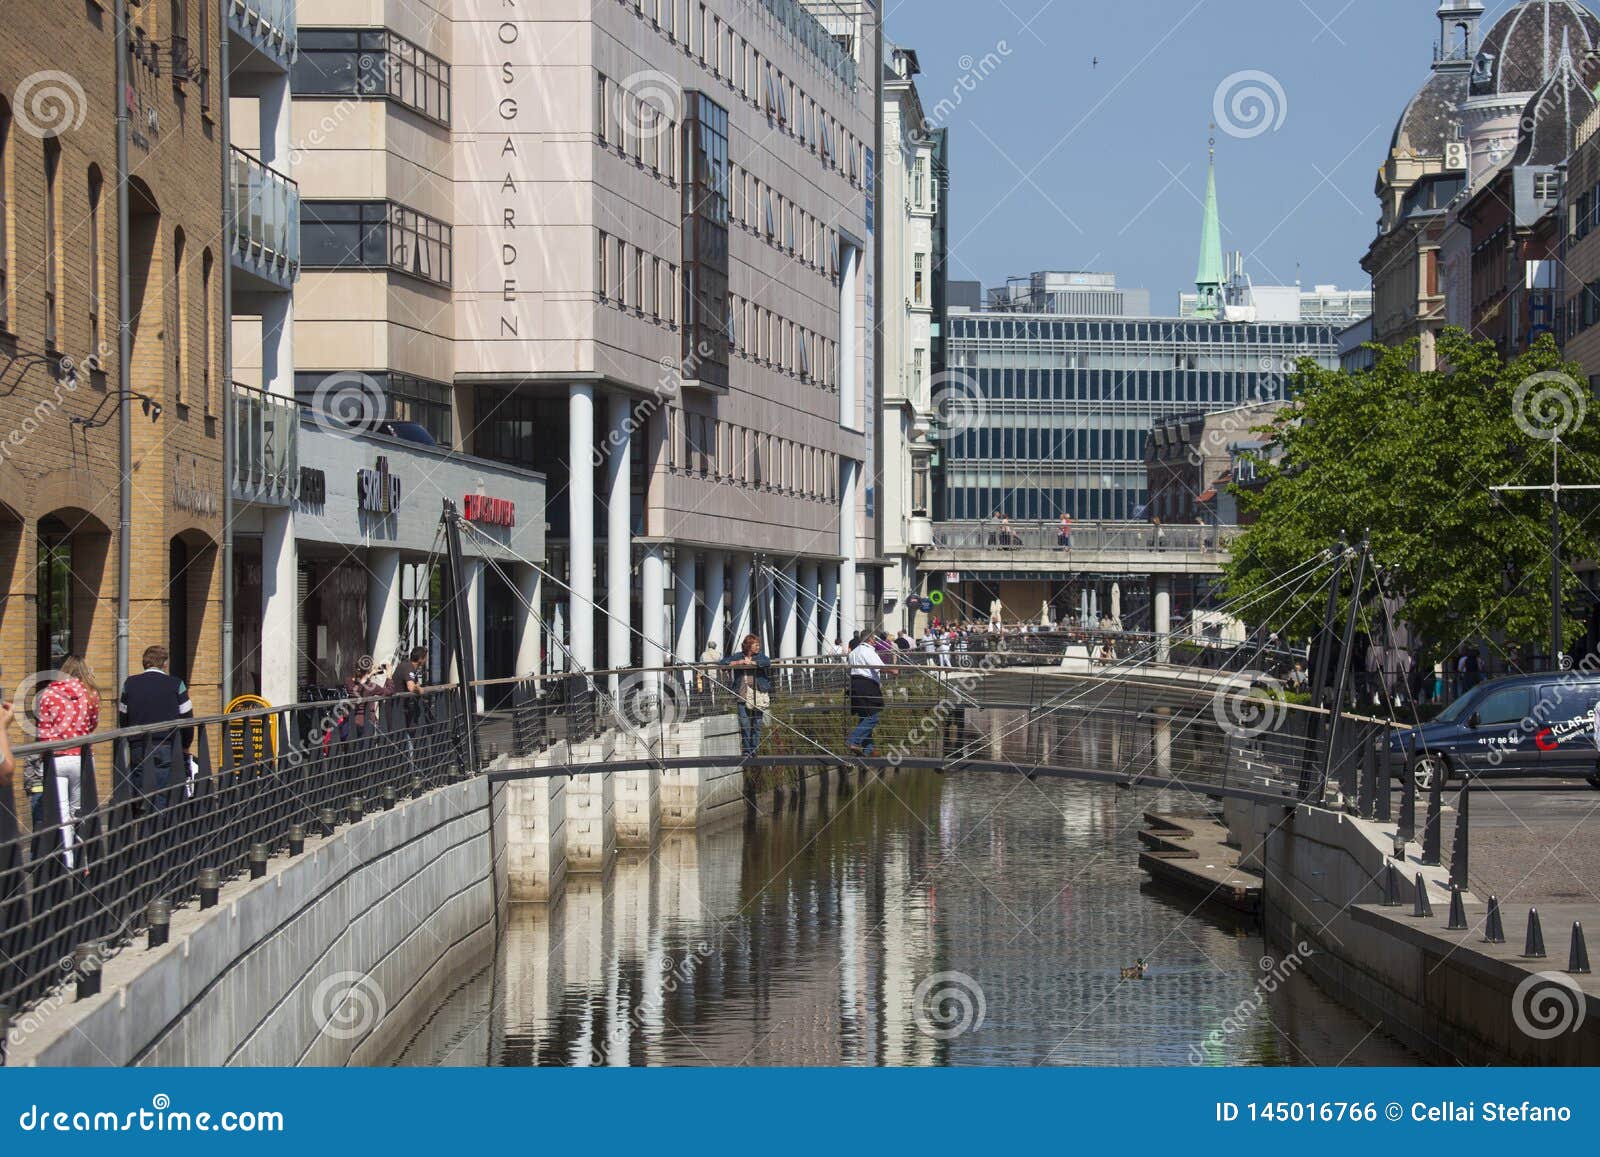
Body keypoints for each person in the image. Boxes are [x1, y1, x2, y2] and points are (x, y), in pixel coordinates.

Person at [35, 656, 100, 866]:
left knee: (61, 813)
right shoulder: (90, 693)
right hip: (81, 758)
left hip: (55, 759)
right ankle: (83, 859)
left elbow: (43, 731)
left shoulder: (48, 693)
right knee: (79, 810)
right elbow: (93, 724)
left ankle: (66, 861)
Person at [117, 645, 193, 811]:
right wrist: (186, 744)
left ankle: (143, 818)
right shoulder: (176, 684)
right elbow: (187, 718)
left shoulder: (130, 684)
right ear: (164, 663)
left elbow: (123, 716)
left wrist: (130, 738)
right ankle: (159, 822)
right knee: (162, 791)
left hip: (138, 744)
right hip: (166, 743)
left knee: (140, 788)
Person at [723, 634, 772, 758]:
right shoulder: (739, 655)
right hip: (742, 693)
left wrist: (753, 662)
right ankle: (747, 750)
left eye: (758, 645)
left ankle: (754, 749)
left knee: (757, 723)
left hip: (758, 693)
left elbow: (767, 662)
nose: (758, 647)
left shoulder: (760, 656)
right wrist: (738, 662)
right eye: (756, 645)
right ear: (749, 646)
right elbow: (723, 662)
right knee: (744, 723)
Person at [846, 631, 887, 757]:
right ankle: (853, 741)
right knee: (873, 717)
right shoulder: (868, 651)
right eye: (874, 639)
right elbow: (880, 667)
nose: (875, 641)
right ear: (870, 639)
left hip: (854, 685)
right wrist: (894, 670)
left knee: (865, 716)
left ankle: (869, 749)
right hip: (867, 686)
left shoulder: (853, 652)